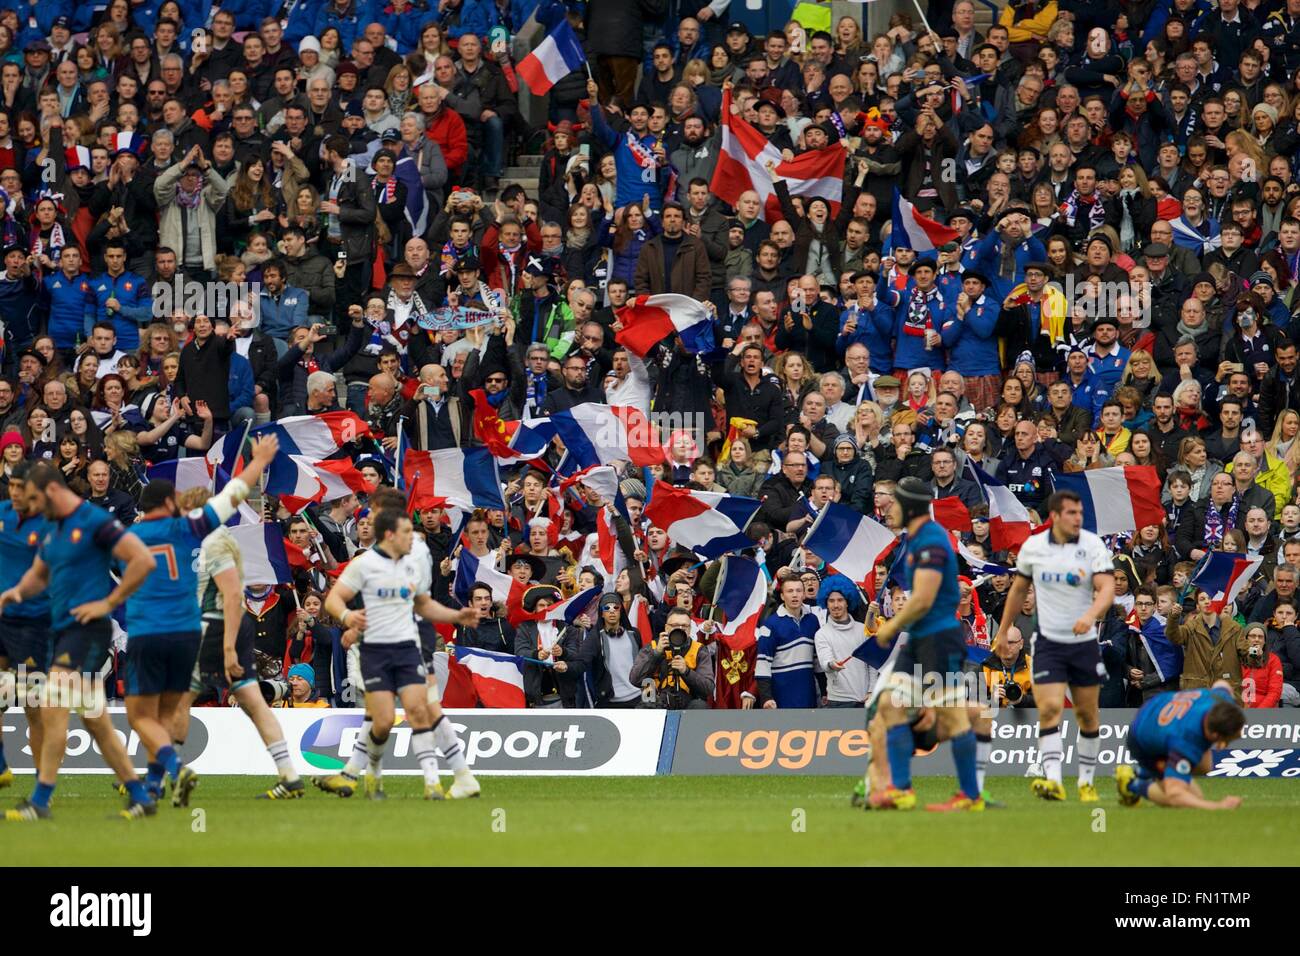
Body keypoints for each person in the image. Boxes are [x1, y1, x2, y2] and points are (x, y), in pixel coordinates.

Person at [121, 434, 277, 803]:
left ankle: (173, 769)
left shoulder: (128, 537)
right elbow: (233, 495)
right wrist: (258, 461)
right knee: (172, 708)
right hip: (187, 631)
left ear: (143, 509)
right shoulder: (192, 529)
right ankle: (155, 785)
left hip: (146, 631)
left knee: (144, 715)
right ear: (171, 503)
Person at [0, 462, 158, 821]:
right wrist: (11, 595)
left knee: (53, 704)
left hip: (87, 631)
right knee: (96, 720)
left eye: (35, 499)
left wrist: (109, 602)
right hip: (62, 631)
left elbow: (142, 560)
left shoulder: (93, 521)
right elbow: (38, 577)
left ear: (51, 491)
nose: (33, 508)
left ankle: (40, 802)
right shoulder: (54, 528)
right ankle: (139, 795)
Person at [324, 509, 481, 800]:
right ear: (390, 535)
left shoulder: (411, 566)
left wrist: (456, 615)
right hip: (375, 653)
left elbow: (423, 605)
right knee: (381, 721)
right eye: (408, 532)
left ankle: (432, 784)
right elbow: (333, 599)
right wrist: (347, 616)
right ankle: (372, 775)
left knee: (419, 710)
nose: (414, 538)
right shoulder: (364, 565)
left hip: (408, 649)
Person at [994, 489, 1116, 803]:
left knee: (1088, 715)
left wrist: (1091, 614)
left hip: (1083, 644)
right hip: (1047, 642)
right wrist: (1004, 629)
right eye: (1072, 513)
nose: (1078, 518)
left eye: (1080, 513)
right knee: (1048, 710)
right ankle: (1054, 781)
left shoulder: (1092, 545)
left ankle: (1087, 782)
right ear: (1055, 516)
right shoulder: (1034, 548)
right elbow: (1019, 591)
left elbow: (1106, 588)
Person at [870, 476, 983, 812]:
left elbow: (923, 597)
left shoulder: (931, 539)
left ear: (911, 506)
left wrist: (892, 626)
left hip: (938, 639)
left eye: (895, 502)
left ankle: (971, 796)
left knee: (952, 719)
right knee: (890, 705)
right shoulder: (915, 538)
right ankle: (901, 789)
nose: (888, 508)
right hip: (922, 638)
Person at [1115, 682, 1246, 810]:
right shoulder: (1186, 742)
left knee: (1206, 767)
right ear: (1215, 735)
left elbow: (1222, 683)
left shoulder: (1221, 700)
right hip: (1142, 737)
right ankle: (1133, 784)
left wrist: (1226, 739)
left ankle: (1143, 772)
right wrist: (1218, 807)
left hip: (1160, 706)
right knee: (1191, 799)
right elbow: (1175, 794)